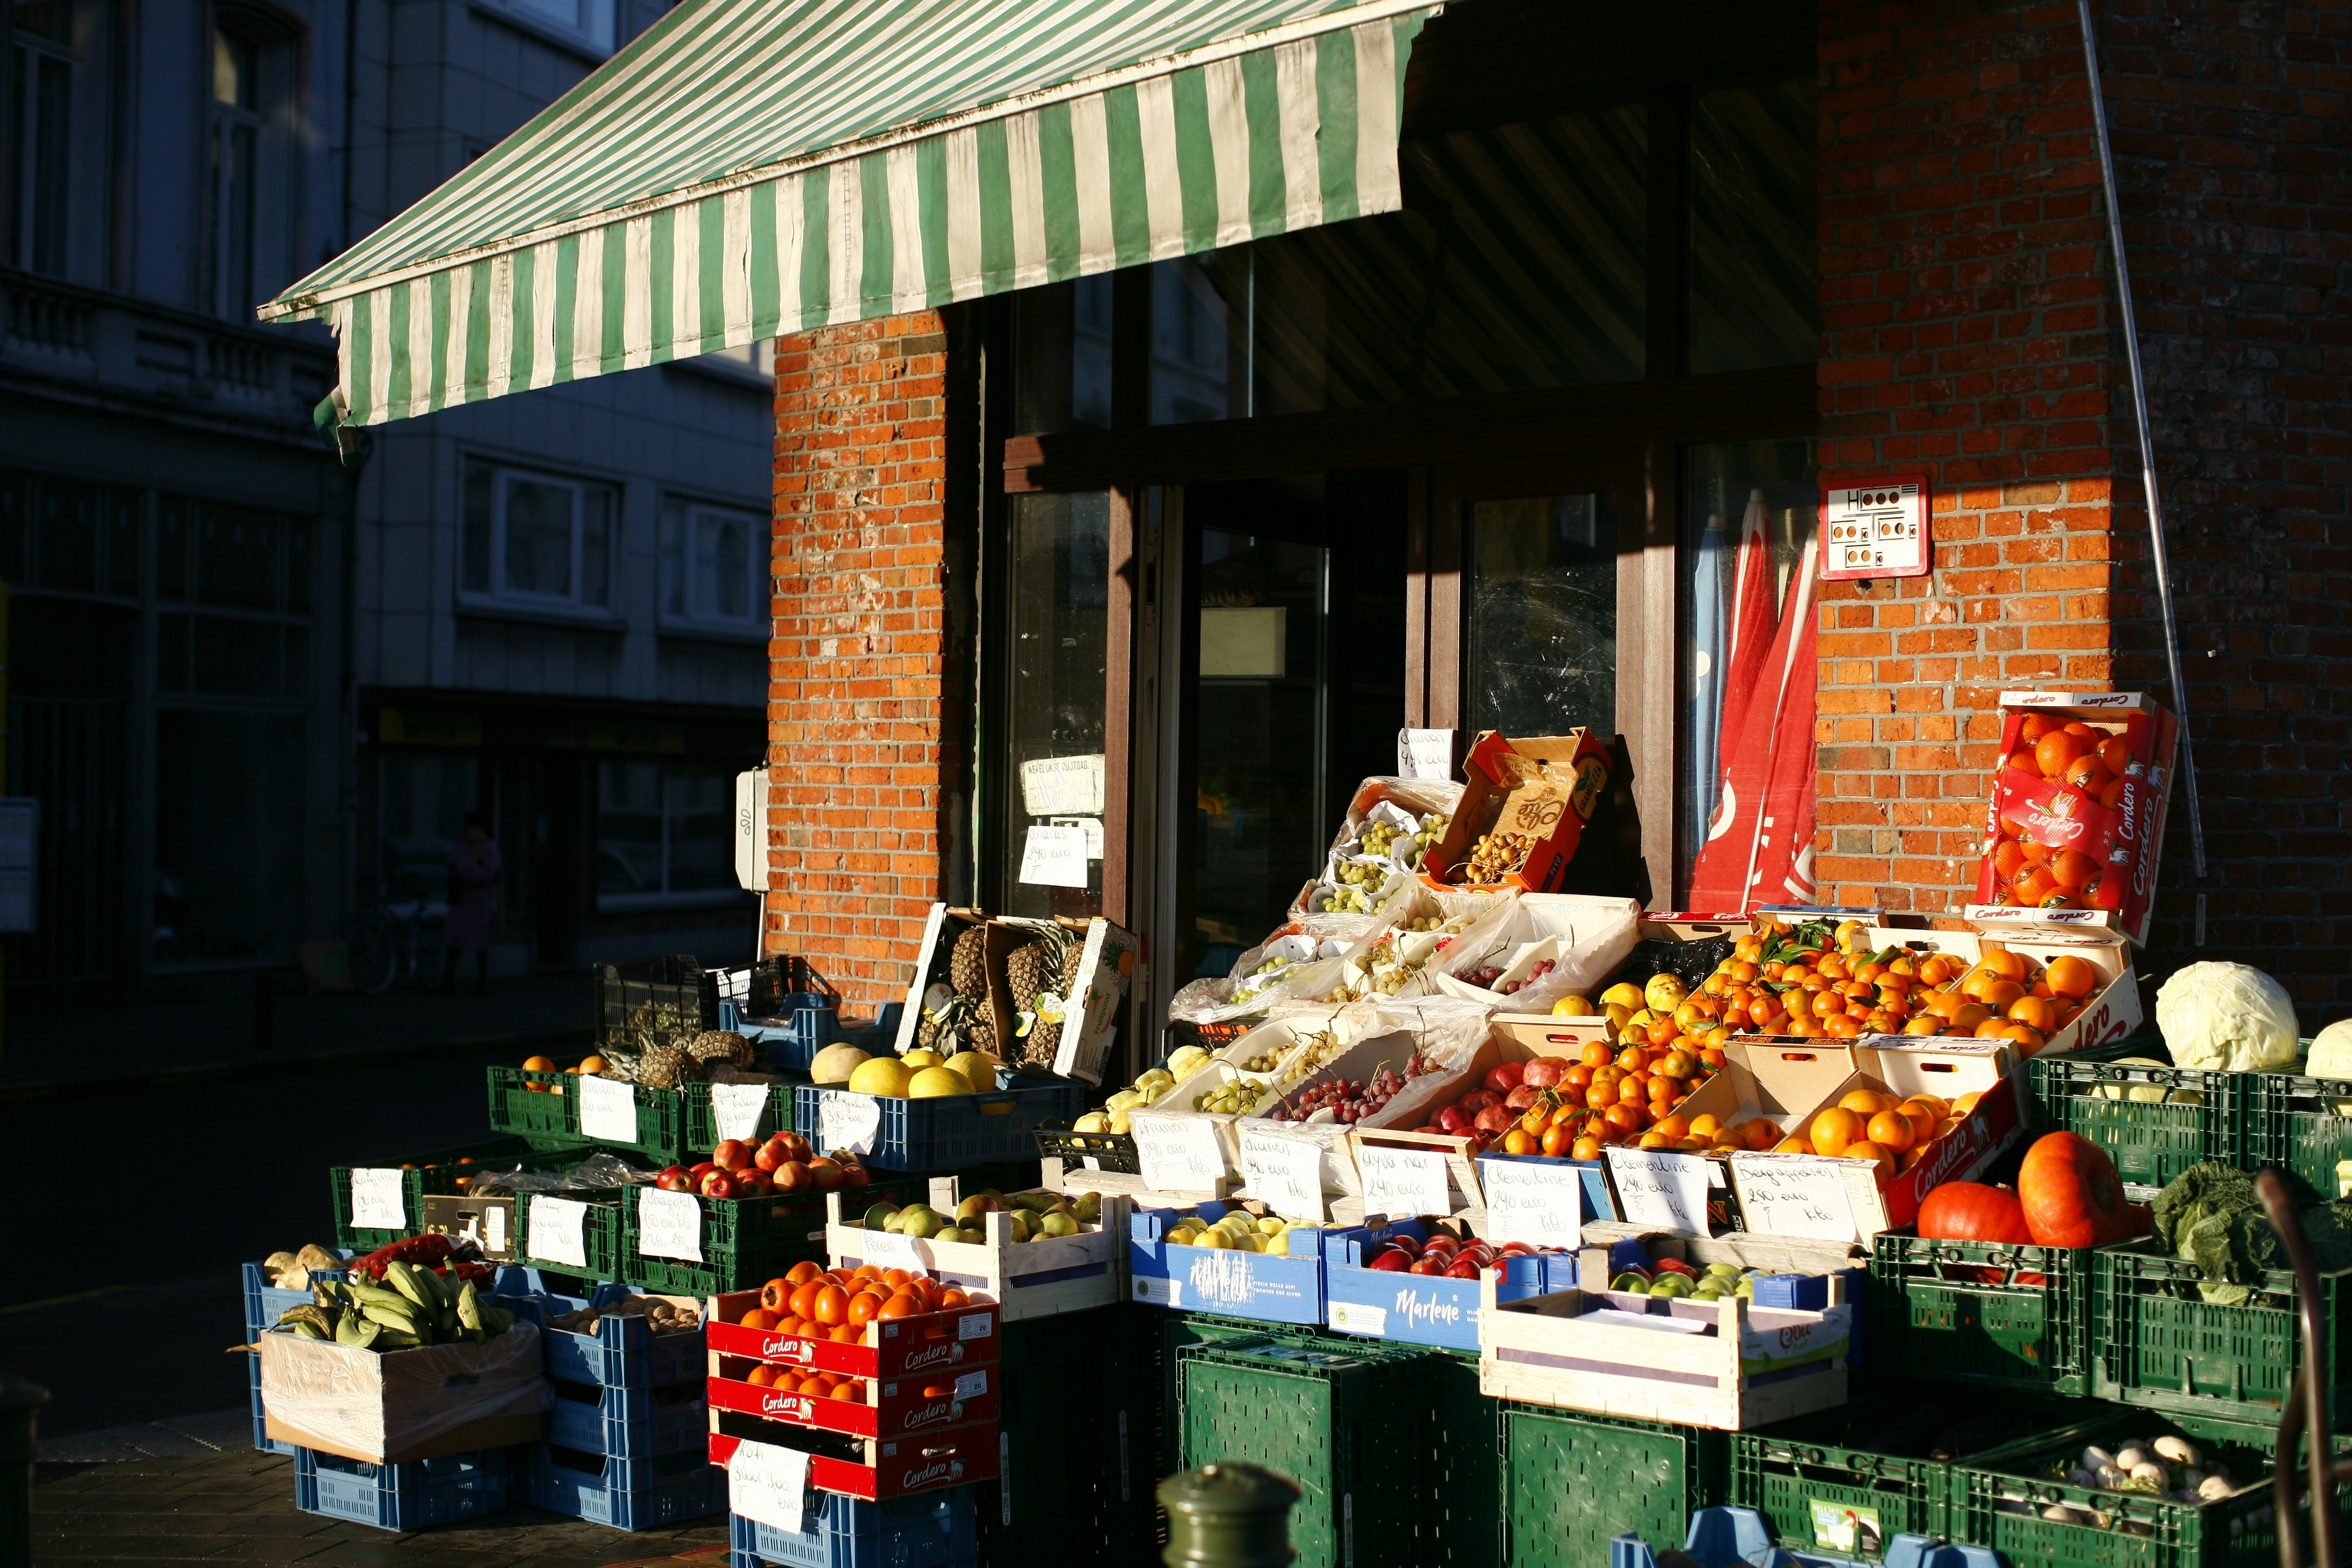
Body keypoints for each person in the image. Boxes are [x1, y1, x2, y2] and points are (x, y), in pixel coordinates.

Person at [441, 810, 501, 996]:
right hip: (461, 900)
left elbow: (488, 873)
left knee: (480, 941)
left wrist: (464, 869)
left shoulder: (489, 849)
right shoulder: (464, 846)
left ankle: (482, 982)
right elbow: (452, 864)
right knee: (455, 940)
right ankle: (448, 980)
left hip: (478, 902)